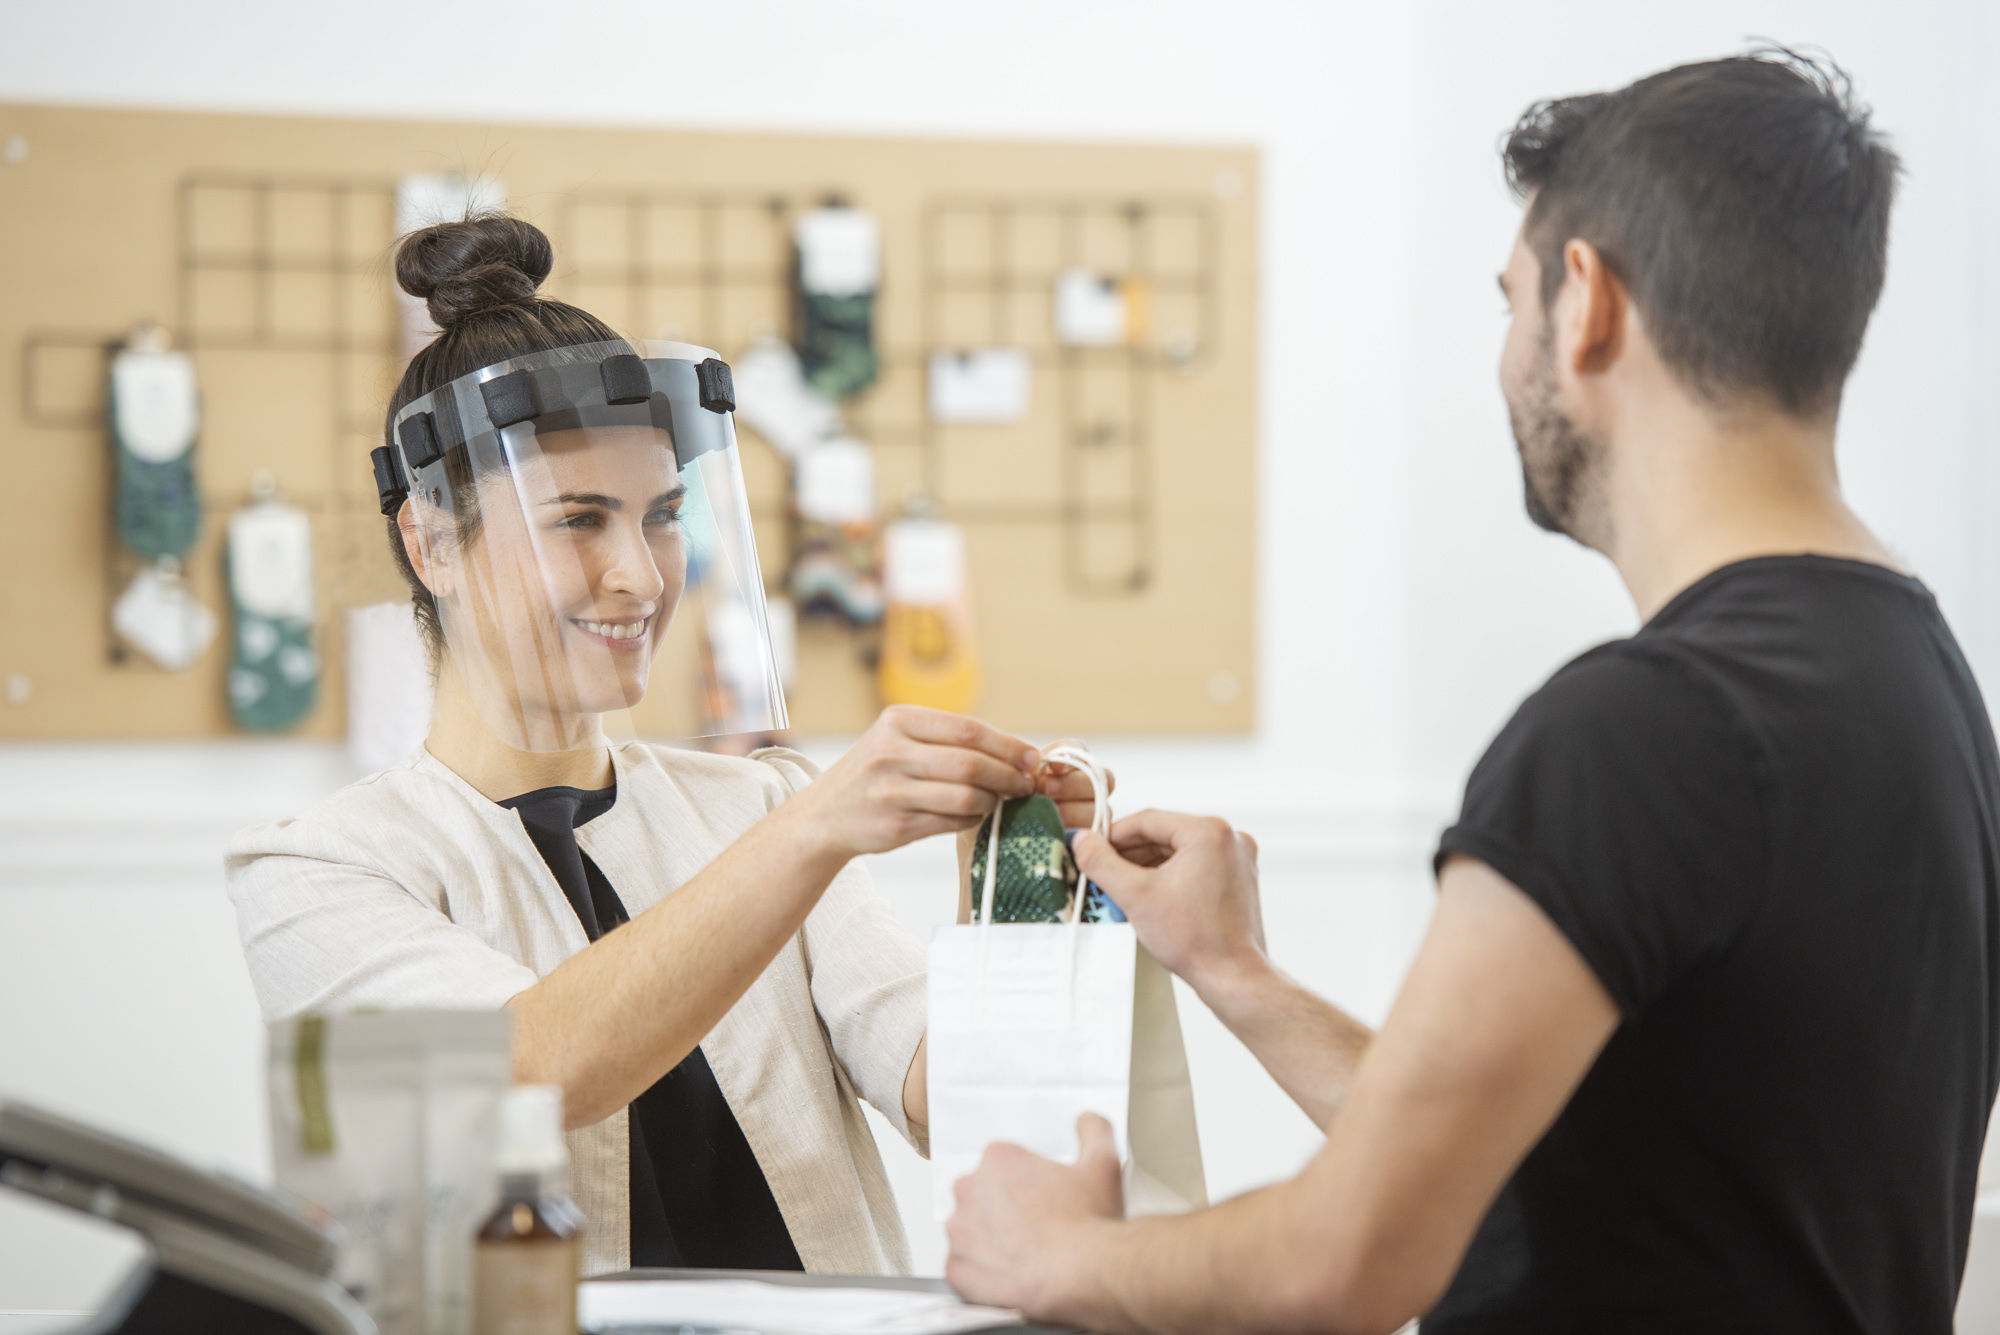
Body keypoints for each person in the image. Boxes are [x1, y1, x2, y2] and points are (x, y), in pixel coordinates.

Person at [944, 50, 2000, 1334]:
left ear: (1584, 302)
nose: (1504, 359)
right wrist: (1234, 971)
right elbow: (1519, 1169)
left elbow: (1349, 1258)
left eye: (1508, 305)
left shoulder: (1638, 727)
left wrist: (1057, 1259)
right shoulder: (1915, 682)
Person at [226, 215, 1102, 1278]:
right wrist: (814, 829)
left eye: (662, 517)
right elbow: (530, 1070)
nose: (642, 576)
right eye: (580, 521)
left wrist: (1023, 897)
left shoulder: (757, 808)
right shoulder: (319, 871)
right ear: (429, 543)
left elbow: (960, 1101)